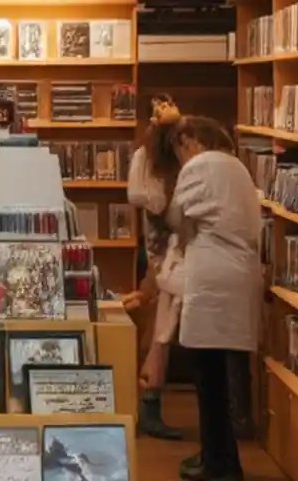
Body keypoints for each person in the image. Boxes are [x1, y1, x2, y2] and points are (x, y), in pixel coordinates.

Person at [168, 116, 262, 481]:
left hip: (212, 279)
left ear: (189, 140)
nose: (180, 159)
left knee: (208, 379)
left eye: (179, 150)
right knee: (224, 377)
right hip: (241, 276)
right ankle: (218, 455)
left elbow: (177, 217)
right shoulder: (238, 168)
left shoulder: (199, 166)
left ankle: (219, 463)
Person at [124, 95, 185, 439]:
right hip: (162, 247)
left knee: (165, 327)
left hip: (181, 246)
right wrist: (164, 203)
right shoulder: (144, 157)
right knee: (158, 326)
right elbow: (139, 197)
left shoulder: (180, 156)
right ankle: (148, 403)